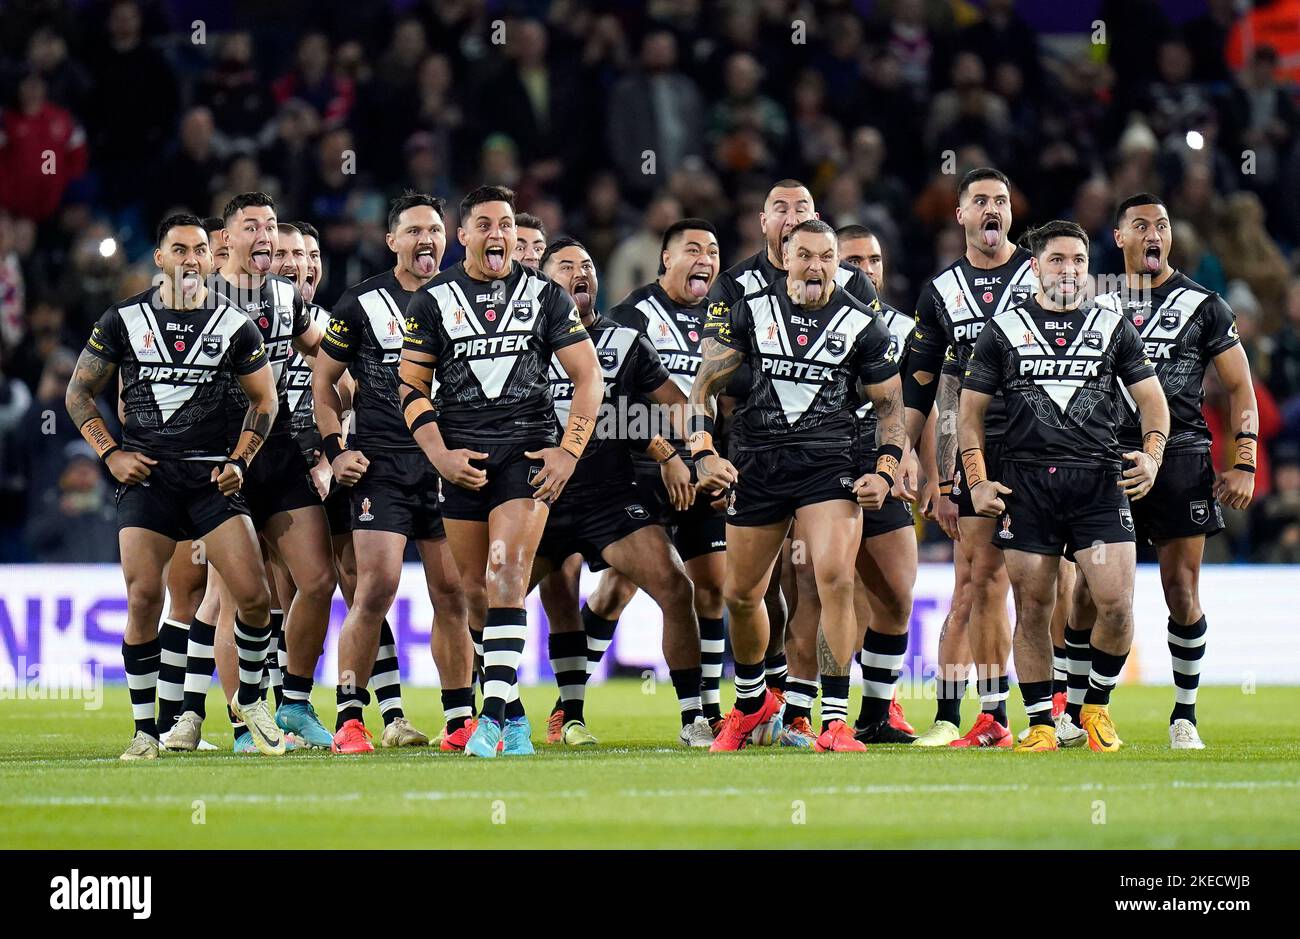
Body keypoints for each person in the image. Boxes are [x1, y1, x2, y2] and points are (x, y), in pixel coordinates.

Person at [64, 213, 280, 759]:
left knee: (254, 597)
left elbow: (265, 401)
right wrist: (110, 453)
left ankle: (249, 698)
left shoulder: (235, 325)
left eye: (200, 250)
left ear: (211, 258)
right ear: (159, 259)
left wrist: (241, 459)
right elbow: (77, 394)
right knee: (143, 597)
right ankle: (145, 732)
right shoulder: (122, 320)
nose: (190, 259)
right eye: (178, 250)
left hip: (212, 475)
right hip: (149, 476)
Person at [399, 185, 602, 758]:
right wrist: (439, 455)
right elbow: (409, 387)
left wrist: (568, 452)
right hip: (460, 460)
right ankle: (513, 714)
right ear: (462, 236)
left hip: (527, 453)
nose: (498, 233)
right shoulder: (433, 301)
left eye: (506, 223)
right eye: (484, 223)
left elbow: (588, 378)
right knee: (472, 594)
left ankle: (488, 717)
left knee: (505, 566)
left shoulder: (546, 297)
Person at [690, 219, 905, 753]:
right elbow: (704, 388)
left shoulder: (863, 326)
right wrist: (701, 451)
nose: (815, 266)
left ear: (838, 263)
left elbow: (891, 410)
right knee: (740, 595)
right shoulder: (749, 311)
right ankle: (752, 701)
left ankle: (834, 720)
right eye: (804, 255)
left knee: (834, 578)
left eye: (826, 257)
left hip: (828, 463)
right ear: (785, 257)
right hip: (757, 462)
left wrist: (883, 469)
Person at [958, 219, 1170, 752]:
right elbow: (969, 417)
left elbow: (1154, 405)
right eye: (1057, 259)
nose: (1069, 270)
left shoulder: (1113, 327)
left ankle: (1093, 707)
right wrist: (978, 482)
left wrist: (1151, 456)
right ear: (1035, 267)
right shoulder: (1002, 331)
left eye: (1078, 260)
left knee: (1116, 605)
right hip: (1026, 486)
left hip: (1099, 483)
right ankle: (1042, 726)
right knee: (1032, 607)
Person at [1073, 194, 1257, 750]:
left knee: (1180, 587)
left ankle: (1184, 715)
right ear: (1119, 237)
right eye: (1140, 225)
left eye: (1162, 225)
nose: (1153, 234)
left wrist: (1244, 459)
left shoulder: (1204, 305)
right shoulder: (1090, 300)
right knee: (1088, 589)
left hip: (1179, 460)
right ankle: (1074, 712)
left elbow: (1240, 386)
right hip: (1105, 457)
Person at [902, 167, 1071, 748]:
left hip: (1047, 447)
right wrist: (920, 462)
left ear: (1010, 213)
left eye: (1001, 199)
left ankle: (1060, 710)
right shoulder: (941, 292)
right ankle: (973, 717)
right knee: (976, 579)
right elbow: (926, 384)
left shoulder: (1045, 273)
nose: (992, 209)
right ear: (962, 216)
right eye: (981, 201)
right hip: (978, 448)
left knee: (1050, 585)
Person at [167, 192, 336, 753]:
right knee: (241, 594)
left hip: (279, 449)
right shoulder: (196, 297)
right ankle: (241, 723)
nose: (266, 235)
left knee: (317, 580)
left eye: (271, 225)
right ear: (228, 241)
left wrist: (377, 371)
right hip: (219, 459)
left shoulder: (287, 297)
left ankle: (291, 702)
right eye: (253, 226)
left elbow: (328, 349)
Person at [534, 237, 711, 746]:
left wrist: (689, 450)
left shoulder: (625, 341)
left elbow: (675, 405)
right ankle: (486, 715)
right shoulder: (521, 340)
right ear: (546, 283)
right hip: (538, 495)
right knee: (483, 599)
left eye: (587, 265)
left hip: (609, 495)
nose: (580, 273)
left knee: (677, 589)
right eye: (566, 267)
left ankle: (692, 717)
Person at [314, 192, 473, 753]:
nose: (426, 239)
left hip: (449, 465)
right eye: (413, 231)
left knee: (452, 593)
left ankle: (459, 722)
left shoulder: (466, 299)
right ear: (392, 241)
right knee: (375, 589)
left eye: (435, 229)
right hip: (382, 466)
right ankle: (350, 720)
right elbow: (322, 384)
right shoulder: (359, 304)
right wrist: (336, 450)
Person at [582, 219, 726, 730]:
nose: (705, 258)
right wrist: (665, 455)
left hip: (702, 465)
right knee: (619, 588)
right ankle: (568, 704)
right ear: (666, 259)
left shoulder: (722, 318)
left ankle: (706, 710)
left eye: (712, 250)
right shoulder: (632, 314)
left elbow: (721, 397)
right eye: (692, 249)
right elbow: (614, 401)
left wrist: (711, 456)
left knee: (710, 585)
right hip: (643, 464)